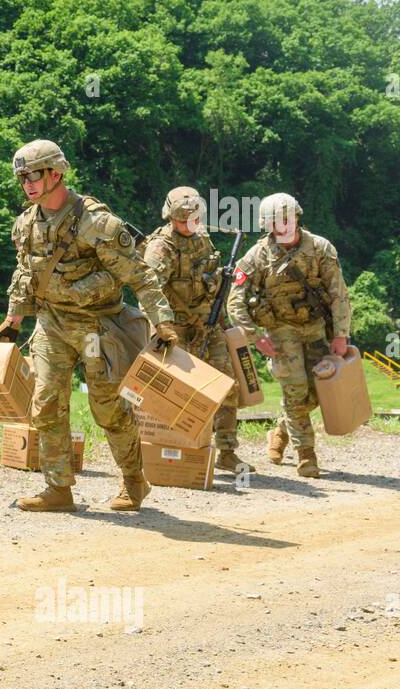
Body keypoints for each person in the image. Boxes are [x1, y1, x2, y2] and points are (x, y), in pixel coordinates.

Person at [0, 140, 177, 512]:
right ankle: (58, 489)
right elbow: (25, 273)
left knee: (108, 409)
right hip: (51, 323)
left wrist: (163, 323)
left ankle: (133, 482)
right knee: (45, 403)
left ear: (56, 173)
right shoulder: (27, 223)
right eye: (22, 178)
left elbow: (140, 275)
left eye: (33, 175)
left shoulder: (96, 223)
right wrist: (13, 319)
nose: (27, 184)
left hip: (97, 327)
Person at [227, 192, 352, 478]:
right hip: (281, 330)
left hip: (316, 328)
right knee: (295, 391)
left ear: (297, 216)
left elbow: (338, 293)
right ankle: (306, 455)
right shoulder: (258, 255)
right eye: (275, 221)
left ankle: (280, 431)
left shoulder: (320, 248)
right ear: (267, 225)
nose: (283, 226)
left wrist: (341, 334)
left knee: (319, 391)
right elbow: (235, 299)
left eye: (287, 219)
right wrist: (255, 336)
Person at [143, 187, 253, 473]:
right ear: (170, 218)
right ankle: (165, 451)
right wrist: (159, 328)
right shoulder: (160, 248)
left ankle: (227, 451)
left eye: (194, 219)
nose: (189, 225)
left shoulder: (203, 238)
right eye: (182, 221)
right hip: (174, 328)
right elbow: (149, 292)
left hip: (207, 323)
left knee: (227, 385)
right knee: (173, 392)